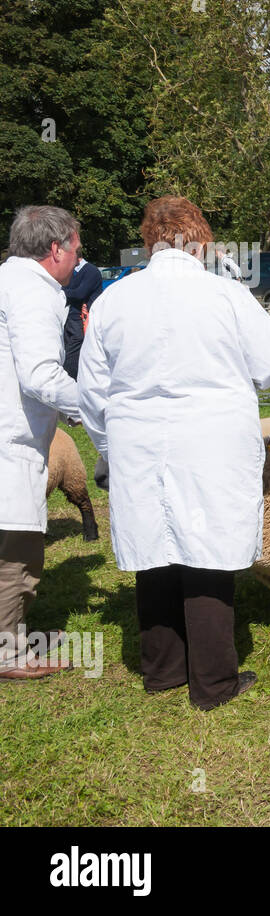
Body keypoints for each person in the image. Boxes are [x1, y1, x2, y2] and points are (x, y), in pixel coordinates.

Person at [78, 196, 270, 709]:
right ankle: (214, 682)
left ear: (150, 241)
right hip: (212, 439)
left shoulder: (115, 298)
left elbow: (92, 389)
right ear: (200, 242)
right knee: (207, 548)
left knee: (154, 546)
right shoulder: (225, 295)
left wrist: (110, 445)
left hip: (138, 439)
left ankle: (162, 670)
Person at [0, 206, 84, 679]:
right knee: (17, 549)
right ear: (55, 249)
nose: (77, 259)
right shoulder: (32, 290)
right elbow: (40, 375)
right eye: (75, 249)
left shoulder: (7, 280)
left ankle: (13, 633)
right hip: (11, 441)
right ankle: (8, 651)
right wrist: (95, 409)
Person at [62, 256, 102, 379]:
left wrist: (61, 292)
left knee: (74, 353)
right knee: (69, 349)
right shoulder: (71, 271)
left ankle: (70, 379)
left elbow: (80, 293)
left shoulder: (91, 271)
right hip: (71, 318)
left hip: (83, 319)